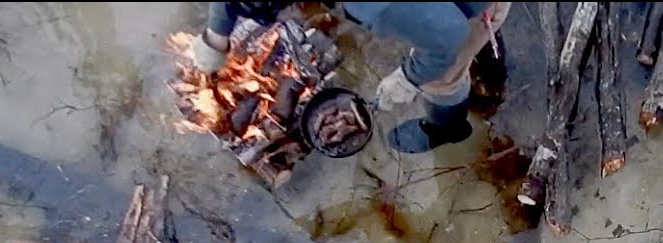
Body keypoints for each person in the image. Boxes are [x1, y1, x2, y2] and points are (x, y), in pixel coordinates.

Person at [191, 2, 509, 154]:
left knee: (444, 70)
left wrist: (409, 78)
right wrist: (215, 34)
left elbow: (447, 35)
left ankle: (447, 128)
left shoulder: (377, 5)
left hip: (457, 20)